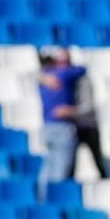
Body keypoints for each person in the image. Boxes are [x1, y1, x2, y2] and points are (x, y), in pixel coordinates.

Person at [36, 46, 87, 198]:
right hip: (62, 128)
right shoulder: (64, 74)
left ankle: (43, 199)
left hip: (47, 128)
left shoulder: (43, 79)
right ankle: (54, 203)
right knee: (60, 172)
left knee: (48, 168)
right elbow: (82, 69)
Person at [70, 72, 109, 179]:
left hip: (89, 126)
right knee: (69, 162)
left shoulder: (83, 81)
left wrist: (69, 112)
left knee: (98, 160)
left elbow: (87, 107)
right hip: (73, 127)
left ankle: (105, 181)